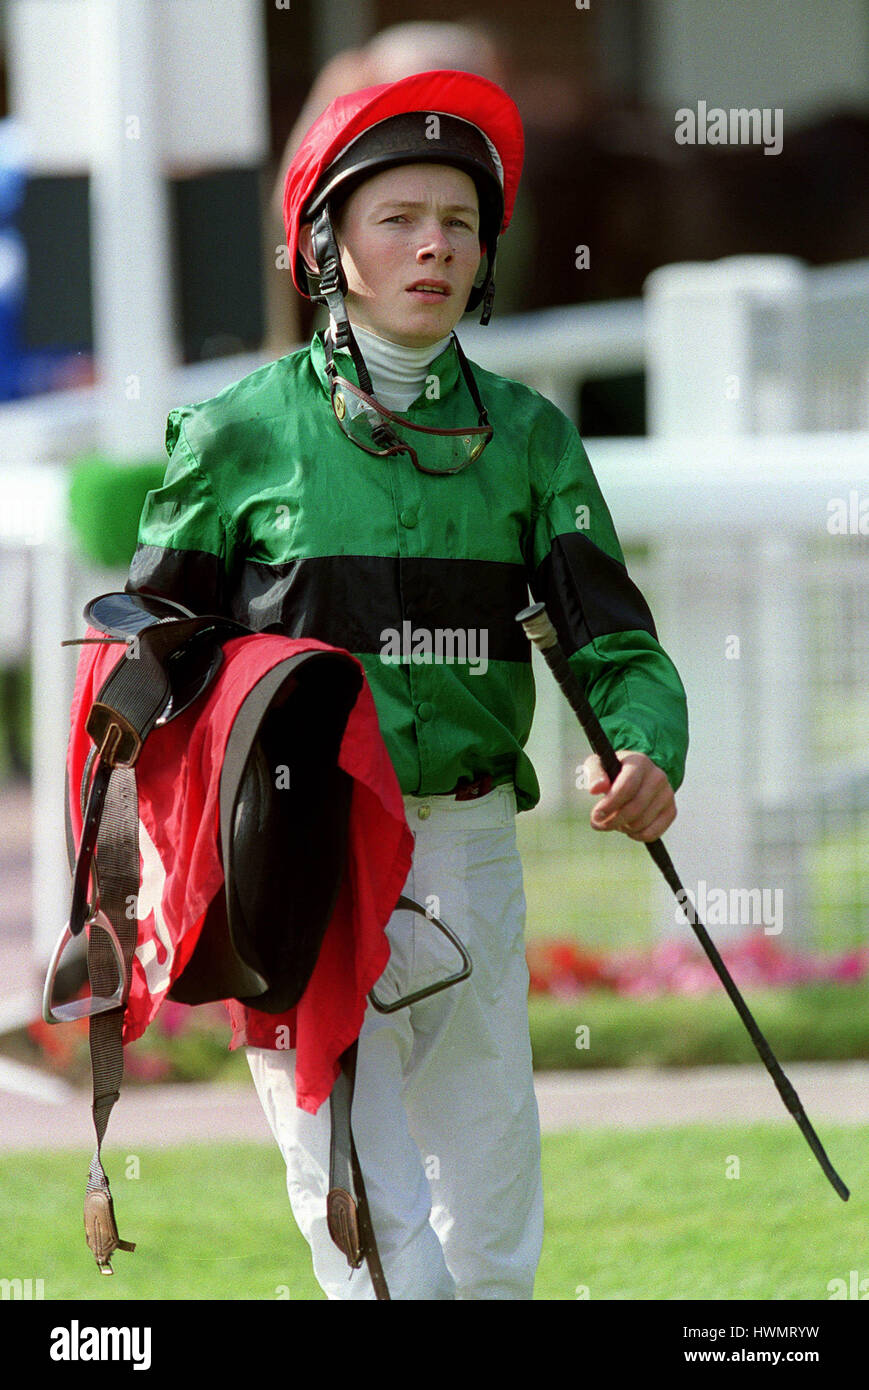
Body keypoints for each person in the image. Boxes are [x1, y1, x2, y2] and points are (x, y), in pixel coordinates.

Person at [126, 68, 688, 1300]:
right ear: (326, 246)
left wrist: (640, 747)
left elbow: (616, 647)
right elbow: (146, 659)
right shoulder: (230, 433)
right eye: (398, 218)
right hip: (303, 859)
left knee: (492, 1216)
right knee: (369, 1218)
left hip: (469, 848)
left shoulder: (532, 439)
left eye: (459, 221)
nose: (434, 244)